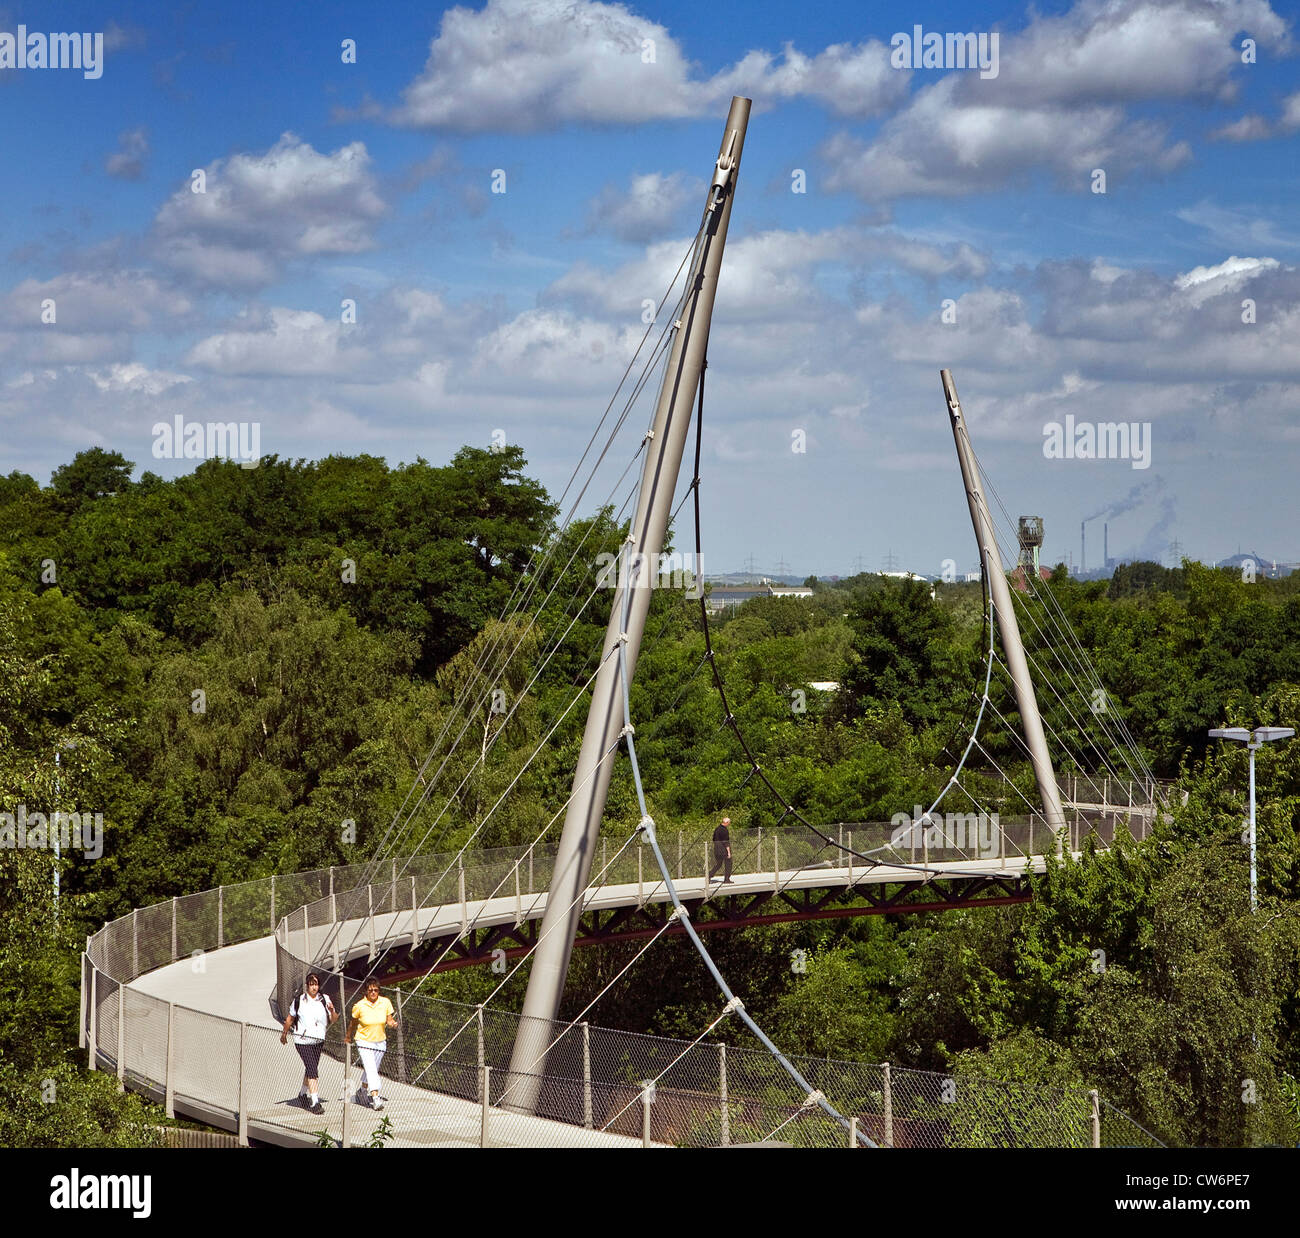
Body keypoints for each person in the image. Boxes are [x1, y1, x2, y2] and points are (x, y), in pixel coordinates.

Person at [280, 972, 337, 1115]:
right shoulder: (299, 1000)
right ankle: (315, 1102)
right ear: (307, 986)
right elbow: (290, 1019)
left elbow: (334, 1019)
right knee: (313, 1070)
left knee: (310, 1068)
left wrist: (331, 1011)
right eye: (311, 984)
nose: (314, 987)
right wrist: (284, 1034)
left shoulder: (324, 999)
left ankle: (302, 1094)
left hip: (318, 1040)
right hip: (302, 1040)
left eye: (316, 984)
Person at [346, 979, 397, 1111]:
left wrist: (392, 1023)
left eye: (376, 990)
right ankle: (375, 1098)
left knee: (371, 1068)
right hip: (363, 1040)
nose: (373, 992)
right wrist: (348, 1036)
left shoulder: (385, 1002)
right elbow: (353, 1022)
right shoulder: (359, 1006)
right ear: (366, 991)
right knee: (371, 1068)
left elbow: (389, 1019)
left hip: (380, 1041)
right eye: (370, 990)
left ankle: (362, 1090)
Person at [709, 816, 733, 883]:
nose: (729, 824)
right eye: (729, 823)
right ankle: (727, 879)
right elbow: (726, 842)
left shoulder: (717, 829)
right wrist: (728, 852)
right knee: (728, 863)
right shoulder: (725, 830)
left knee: (719, 864)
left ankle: (709, 875)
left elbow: (713, 839)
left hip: (716, 849)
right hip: (723, 849)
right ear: (727, 822)